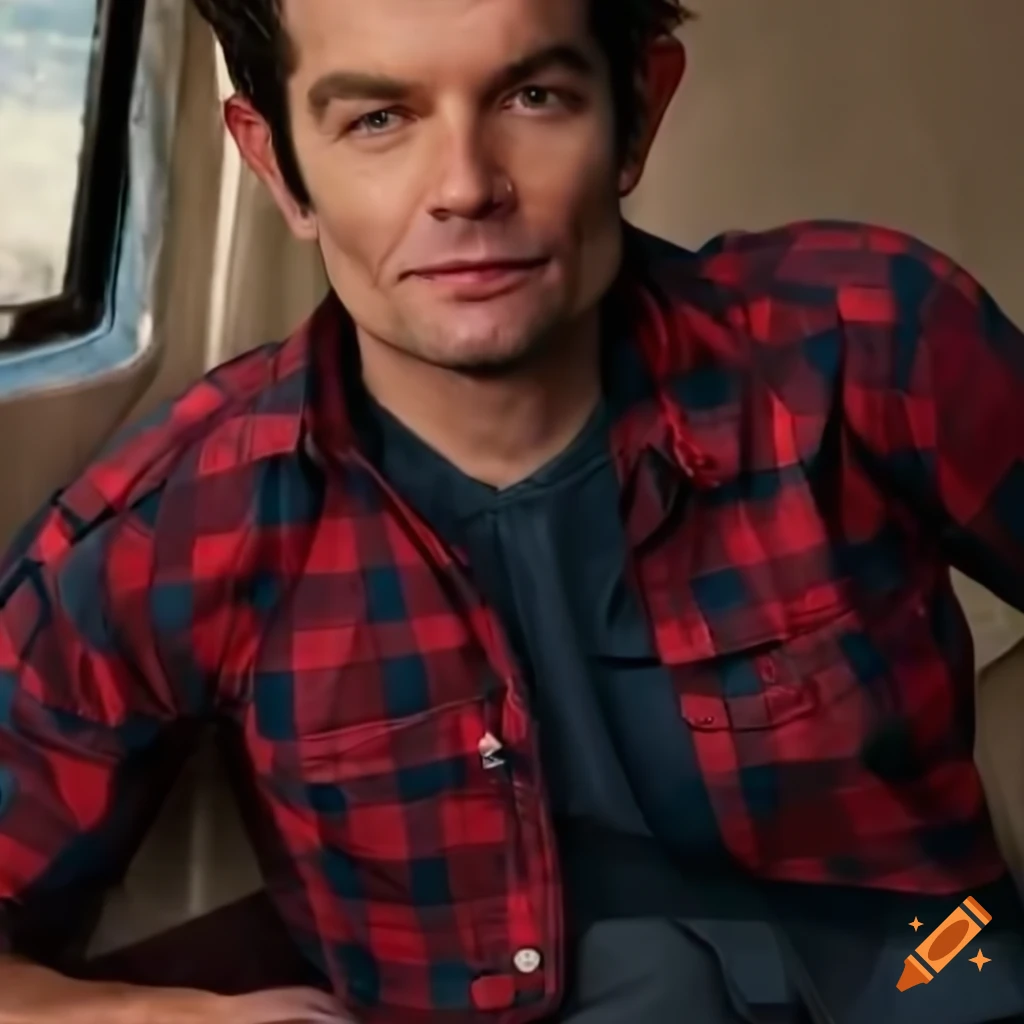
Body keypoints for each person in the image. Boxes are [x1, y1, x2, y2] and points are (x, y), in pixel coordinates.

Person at [1, 0, 1023, 1021]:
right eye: (377, 120)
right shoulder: (182, 522)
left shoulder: (861, 341)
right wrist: (164, 1017)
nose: (465, 187)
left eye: (533, 96)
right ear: (277, 165)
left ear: (636, 111)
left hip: (944, 974)